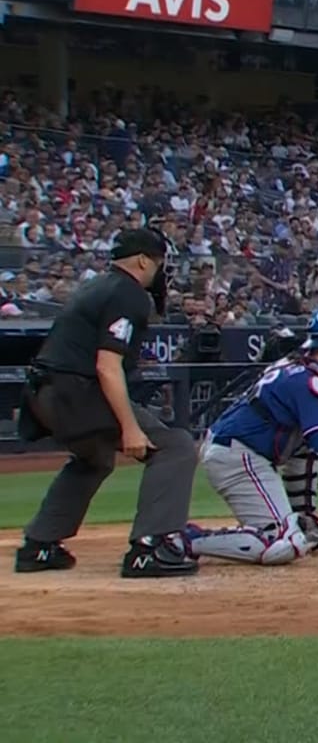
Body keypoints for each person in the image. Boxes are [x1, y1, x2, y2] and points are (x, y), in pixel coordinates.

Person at [13, 228, 202, 577]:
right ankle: (150, 548)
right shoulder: (128, 293)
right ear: (145, 260)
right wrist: (130, 428)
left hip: (44, 393)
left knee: (94, 457)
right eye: (159, 263)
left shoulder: (94, 285)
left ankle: (39, 546)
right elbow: (107, 365)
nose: (161, 271)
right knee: (175, 447)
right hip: (77, 391)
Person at [185, 309, 318, 565]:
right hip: (238, 457)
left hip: (237, 449)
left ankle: (304, 522)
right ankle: (188, 540)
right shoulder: (310, 381)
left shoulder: (294, 364)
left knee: (307, 440)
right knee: (282, 544)